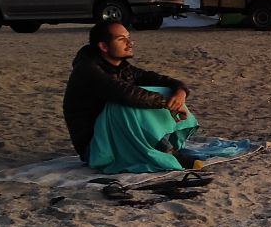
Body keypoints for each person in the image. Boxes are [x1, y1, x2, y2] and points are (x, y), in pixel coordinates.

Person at [62, 21, 199, 173]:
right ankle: (169, 152)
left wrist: (180, 92)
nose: (130, 43)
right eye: (121, 39)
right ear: (104, 46)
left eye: (129, 38)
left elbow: (161, 80)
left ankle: (164, 148)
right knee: (123, 105)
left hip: (119, 137)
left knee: (166, 91)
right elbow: (126, 94)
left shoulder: (122, 67)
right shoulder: (88, 70)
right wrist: (169, 103)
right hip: (96, 149)